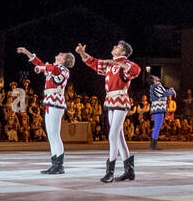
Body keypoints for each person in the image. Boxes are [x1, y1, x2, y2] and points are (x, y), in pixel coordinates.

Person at [78, 41, 142, 183]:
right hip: (111, 100)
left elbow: (135, 71)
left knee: (113, 135)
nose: (114, 47)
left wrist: (117, 64)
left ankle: (110, 171)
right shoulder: (109, 64)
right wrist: (82, 53)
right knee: (119, 137)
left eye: (118, 47)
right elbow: (94, 63)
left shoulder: (125, 63)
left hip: (120, 100)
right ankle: (129, 171)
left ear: (123, 52)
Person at [18, 46, 74, 174]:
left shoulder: (63, 70)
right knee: (51, 134)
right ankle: (55, 163)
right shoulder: (55, 69)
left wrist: (42, 68)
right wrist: (27, 53)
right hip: (51, 104)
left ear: (64, 60)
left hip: (56, 104)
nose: (59, 53)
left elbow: (51, 68)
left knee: (54, 134)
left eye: (62, 54)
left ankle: (59, 165)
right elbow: (40, 64)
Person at [146, 72, 177, 150]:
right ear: (153, 80)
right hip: (158, 108)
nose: (157, 77)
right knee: (157, 126)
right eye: (155, 77)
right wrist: (172, 91)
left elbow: (164, 92)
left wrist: (170, 90)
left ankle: (153, 144)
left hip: (159, 108)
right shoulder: (155, 87)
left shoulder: (157, 86)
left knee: (158, 126)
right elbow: (163, 93)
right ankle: (153, 144)